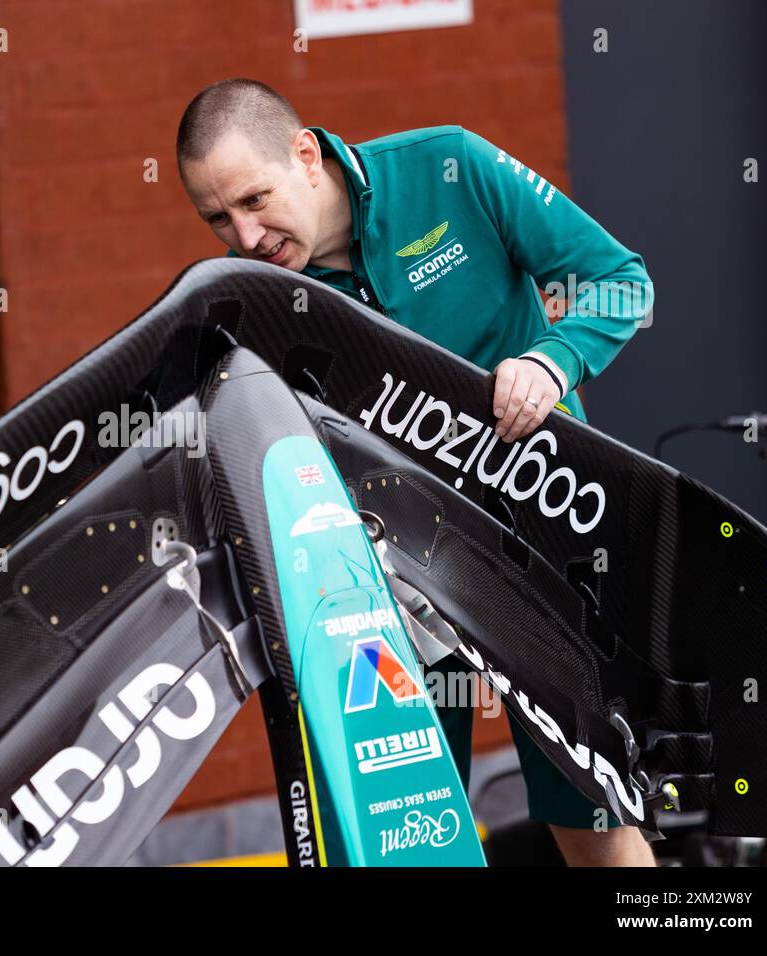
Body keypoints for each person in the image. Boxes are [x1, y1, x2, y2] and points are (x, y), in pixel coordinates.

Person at [176, 78, 655, 866]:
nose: (247, 233)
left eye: (256, 199)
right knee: (406, 839)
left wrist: (553, 359)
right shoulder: (253, 299)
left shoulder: (449, 168)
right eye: (217, 218)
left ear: (305, 153)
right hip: (397, 588)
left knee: (592, 827)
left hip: (548, 551)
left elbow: (623, 282)